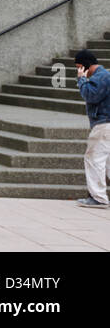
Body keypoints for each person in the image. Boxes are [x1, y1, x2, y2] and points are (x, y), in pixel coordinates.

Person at [74, 49, 110, 208]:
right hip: (106, 122)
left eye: (79, 67)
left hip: (103, 123)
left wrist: (81, 79)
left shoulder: (101, 77)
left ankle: (98, 198)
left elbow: (90, 95)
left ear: (84, 66)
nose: (78, 70)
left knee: (94, 158)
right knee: (107, 161)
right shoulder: (104, 76)